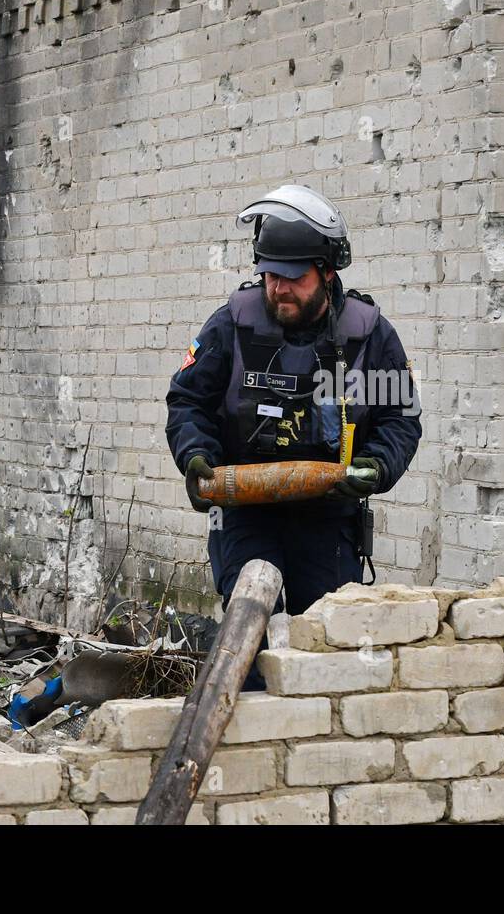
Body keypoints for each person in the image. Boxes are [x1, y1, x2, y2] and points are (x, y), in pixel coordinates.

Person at [165, 184, 422, 687]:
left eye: (292, 277)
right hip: (243, 512)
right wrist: (196, 456)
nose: (278, 288)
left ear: (328, 271)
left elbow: (401, 419)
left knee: (323, 643)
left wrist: (377, 465)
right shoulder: (232, 326)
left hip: (328, 520)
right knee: (249, 634)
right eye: (269, 275)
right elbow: (188, 402)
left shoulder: (368, 336)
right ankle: (250, 748)